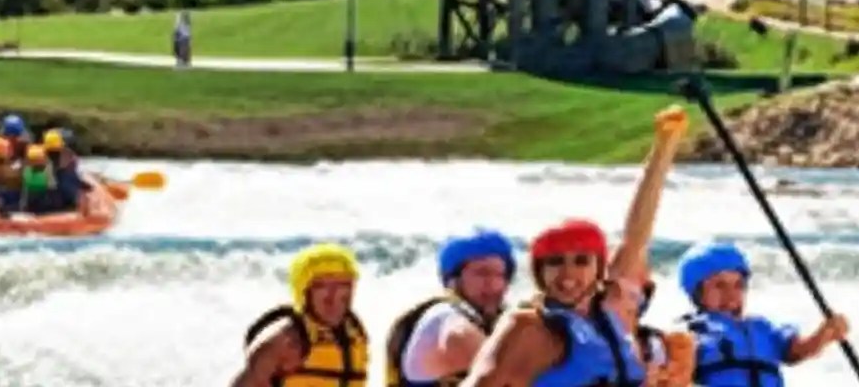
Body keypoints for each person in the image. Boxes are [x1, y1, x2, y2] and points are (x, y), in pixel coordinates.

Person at [458, 105, 688, 387]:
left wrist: (665, 147)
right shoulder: (529, 328)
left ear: (598, 269)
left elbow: (636, 236)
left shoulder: (613, 309)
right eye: (555, 262)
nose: (568, 275)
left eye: (581, 262)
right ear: (539, 271)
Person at [676, 241, 849, 386]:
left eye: (739, 285)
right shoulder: (691, 331)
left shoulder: (762, 328)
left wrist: (825, 334)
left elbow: (798, 351)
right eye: (719, 286)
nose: (731, 295)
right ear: (697, 294)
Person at [386, 229, 515, 387]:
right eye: (482, 273)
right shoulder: (441, 315)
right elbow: (457, 335)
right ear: (453, 279)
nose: (494, 284)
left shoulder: (494, 320)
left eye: (500, 275)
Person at [231, 243, 369, 387]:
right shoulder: (285, 340)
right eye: (321, 286)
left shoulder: (355, 333)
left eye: (343, 285)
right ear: (304, 292)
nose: (334, 296)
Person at [43, 128, 88, 210]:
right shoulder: (42, 161)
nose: (53, 155)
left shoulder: (68, 158)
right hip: (51, 196)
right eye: (51, 153)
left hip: (60, 194)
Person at [19, 145, 58, 214]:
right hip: (32, 200)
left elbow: (52, 188)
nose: (36, 162)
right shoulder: (27, 171)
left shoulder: (47, 169)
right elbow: (25, 190)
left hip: (46, 200)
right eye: (33, 160)